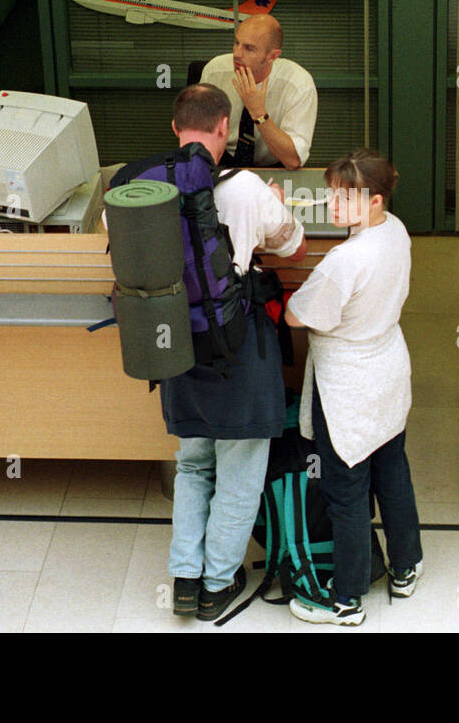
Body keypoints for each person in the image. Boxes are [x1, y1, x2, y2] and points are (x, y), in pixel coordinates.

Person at [159, 83, 308, 622]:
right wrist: (275, 207)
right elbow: (296, 247)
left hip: (179, 347)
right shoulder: (245, 187)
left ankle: (184, 578)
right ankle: (217, 584)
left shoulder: (143, 182)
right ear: (224, 127)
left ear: (175, 128)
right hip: (237, 347)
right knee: (240, 472)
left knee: (194, 464)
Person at [284, 148, 422, 626]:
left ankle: (345, 600)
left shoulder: (344, 261)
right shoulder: (397, 231)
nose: (333, 205)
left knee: (345, 491)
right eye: (332, 195)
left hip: (347, 386)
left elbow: (298, 316)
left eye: (345, 198)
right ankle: (405, 567)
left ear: (375, 200)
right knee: (392, 472)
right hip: (387, 370)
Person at [200, 14, 317, 170]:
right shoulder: (215, 71)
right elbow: (199, 134)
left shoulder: (298, 84)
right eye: (237, 43)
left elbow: (293, 160)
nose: (237, 54)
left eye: (249, 48)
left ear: (272, 56)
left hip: (275, 166)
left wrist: (258, 112)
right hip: (223, 161)